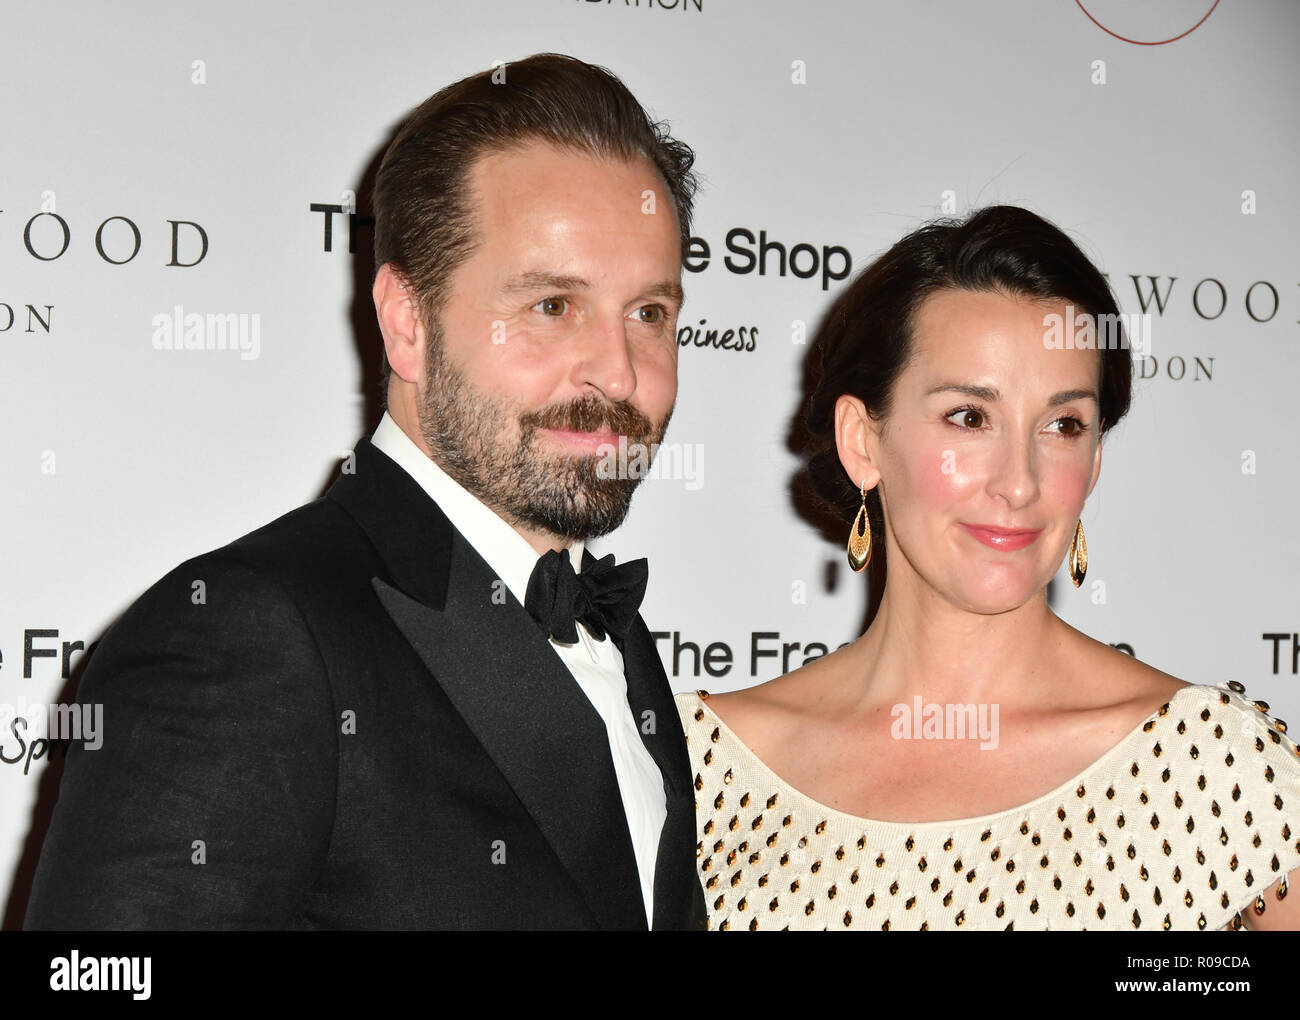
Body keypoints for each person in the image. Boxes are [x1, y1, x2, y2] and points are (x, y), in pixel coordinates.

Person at [26, 53, 706, 930]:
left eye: (649, 314)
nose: (618, 372)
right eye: (552, 306)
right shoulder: (248, 634)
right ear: (408, 323)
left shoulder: (622, 642)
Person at [676, 205, 1300, 931]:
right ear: (862, 441)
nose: (1020, 482)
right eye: (969, 417)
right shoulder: (699, 768)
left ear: (1094, 460)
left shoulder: (1208, 768)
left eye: (1062, 425)